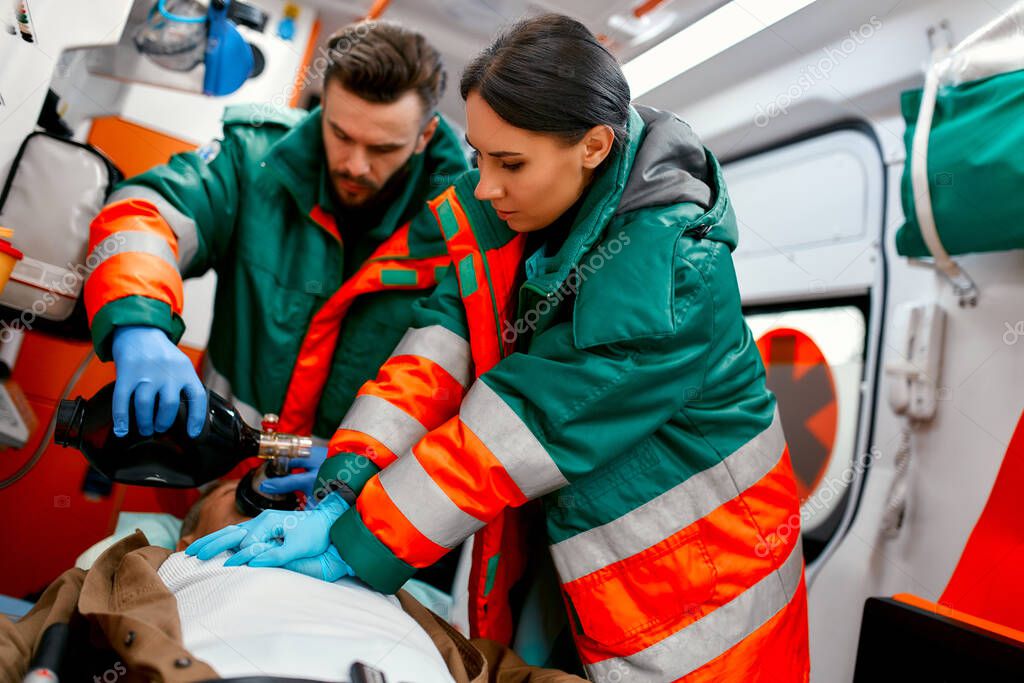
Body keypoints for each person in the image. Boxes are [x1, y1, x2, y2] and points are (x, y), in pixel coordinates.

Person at [189, 14, 811, 682]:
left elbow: (514, 431)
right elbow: (426, 360)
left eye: (509, 163)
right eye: (480, 155)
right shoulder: (509, 217)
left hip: (698, 599)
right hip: (574, 552)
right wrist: (343, 485)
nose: (483, 185)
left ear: (595, 146)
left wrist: (353, 541)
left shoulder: (671, 274)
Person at [82, 21, 470, 477]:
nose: (355, 164)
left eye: (383, 147)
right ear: (323, 107)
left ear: (424, 137)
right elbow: (146, 212)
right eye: (341, 135)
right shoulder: (253, 160)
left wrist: (363, 467)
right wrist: (137, 321)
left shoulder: (465, 231)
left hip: (353, 504)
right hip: (217, 473)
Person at [0, 480, 585, 681]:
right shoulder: (149, 567)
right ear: (186, 537)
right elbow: (26, 642)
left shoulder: (396, 595)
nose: (271, 517)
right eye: (241, 499)